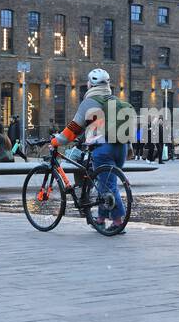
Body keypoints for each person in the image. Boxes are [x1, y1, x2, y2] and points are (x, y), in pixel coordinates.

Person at [50, 68, 129, 232]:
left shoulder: (90, 102)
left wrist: (57, 141)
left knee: (107, 186)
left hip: (103, 148)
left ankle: (117, 222)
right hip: (121, 148)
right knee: (105, 183)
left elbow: (73, 128)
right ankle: (100, 219)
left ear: (90, 84)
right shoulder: (113, 99)